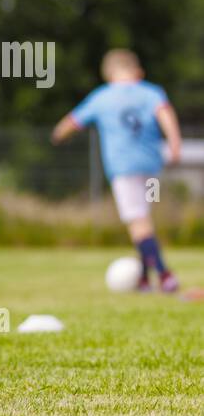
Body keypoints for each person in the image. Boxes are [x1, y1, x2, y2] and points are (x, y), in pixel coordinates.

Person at [51, 49, 183, 292]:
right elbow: (166, 114)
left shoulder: (102, 97)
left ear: (109, 74)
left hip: (124, 168)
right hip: (152, 166)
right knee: (144, 219)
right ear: (138, 72)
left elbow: (72, 121)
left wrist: (57, 134)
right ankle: (144, 278)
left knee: (138, 222)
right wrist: (175, 144)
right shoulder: (151, 92)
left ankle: (164, 274)